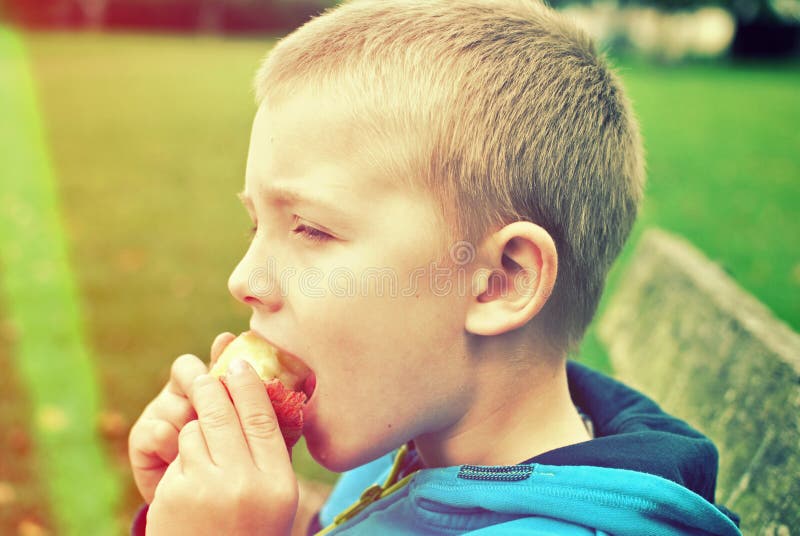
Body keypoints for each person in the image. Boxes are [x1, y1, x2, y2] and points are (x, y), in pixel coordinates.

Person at [128, 0, 742, 534]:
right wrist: (196, 508)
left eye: (311, 228)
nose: (243, 280)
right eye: (255, 225)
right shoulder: (406, 443)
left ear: (501, 281)